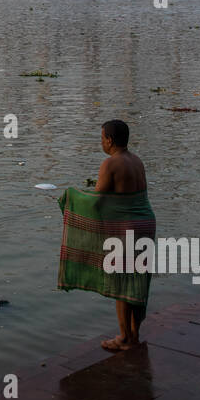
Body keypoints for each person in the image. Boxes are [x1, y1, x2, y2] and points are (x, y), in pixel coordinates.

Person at [56, 119, 155, 352]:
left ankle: (124, 338)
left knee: (121, 283)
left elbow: (97, 201)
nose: (101, 142)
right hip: (146, 224)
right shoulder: (136, 160)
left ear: (109, 140)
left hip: (126, 229)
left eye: (102, 138)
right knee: (137, 282)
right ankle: (134, 335)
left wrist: (70, 197)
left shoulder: (110, 164)